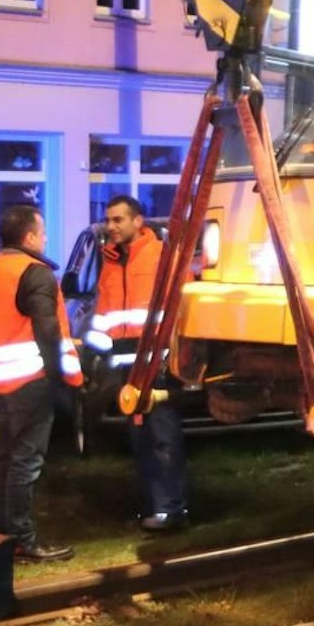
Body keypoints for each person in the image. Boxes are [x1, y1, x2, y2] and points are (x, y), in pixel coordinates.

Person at [0, 204, 80, 562]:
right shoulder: (35, 274)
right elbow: (48, 329)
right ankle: (22, 539)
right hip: (31, 379)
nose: (46, 237)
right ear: (30, 237)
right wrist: (59, 375)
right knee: (25, 461)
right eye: (43, 231)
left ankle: (2, 532)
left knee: (4, 458)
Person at [84, 195, 188, 532]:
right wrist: (98, 353)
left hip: (158, 366)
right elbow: (104, 317)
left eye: (118, 220)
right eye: (109, 220)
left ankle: (169, 510)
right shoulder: (112, 262)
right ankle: (151, 506)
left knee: (163, 438)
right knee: (141, 440)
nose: (110, 227)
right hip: (129, 370)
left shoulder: (160, 256)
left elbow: (181, 306)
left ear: (137, 221)